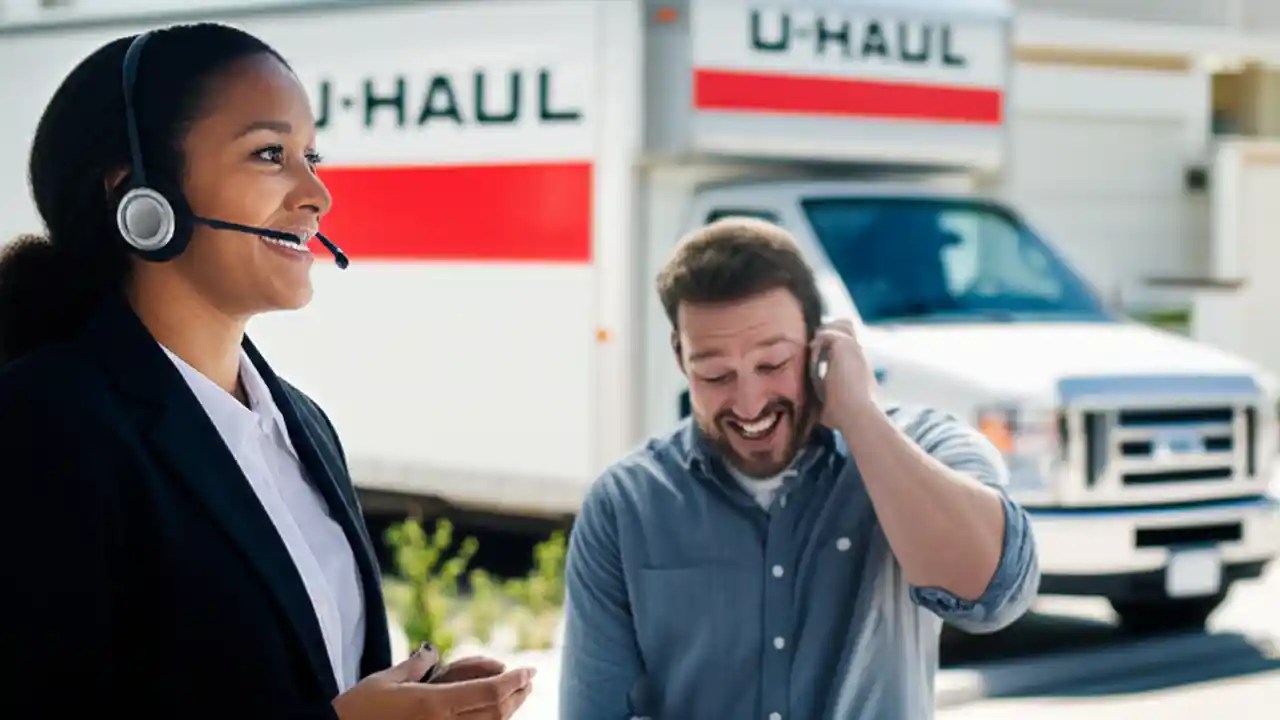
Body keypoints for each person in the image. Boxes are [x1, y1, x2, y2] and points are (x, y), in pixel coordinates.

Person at [0, 23, 532, 719]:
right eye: (269, 154)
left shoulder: (302, 423)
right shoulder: (44, 425)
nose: (317, 195)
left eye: (312, 156)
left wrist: (416, 705)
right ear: (137, 196)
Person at [559, 217, 1040, 719]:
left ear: (818, 344)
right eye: (716, 374)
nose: (748, 403)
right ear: (681, 358)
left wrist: (859, 415)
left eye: (772, 365)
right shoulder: (624, 506)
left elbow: (996, 596)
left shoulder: (924, 446)